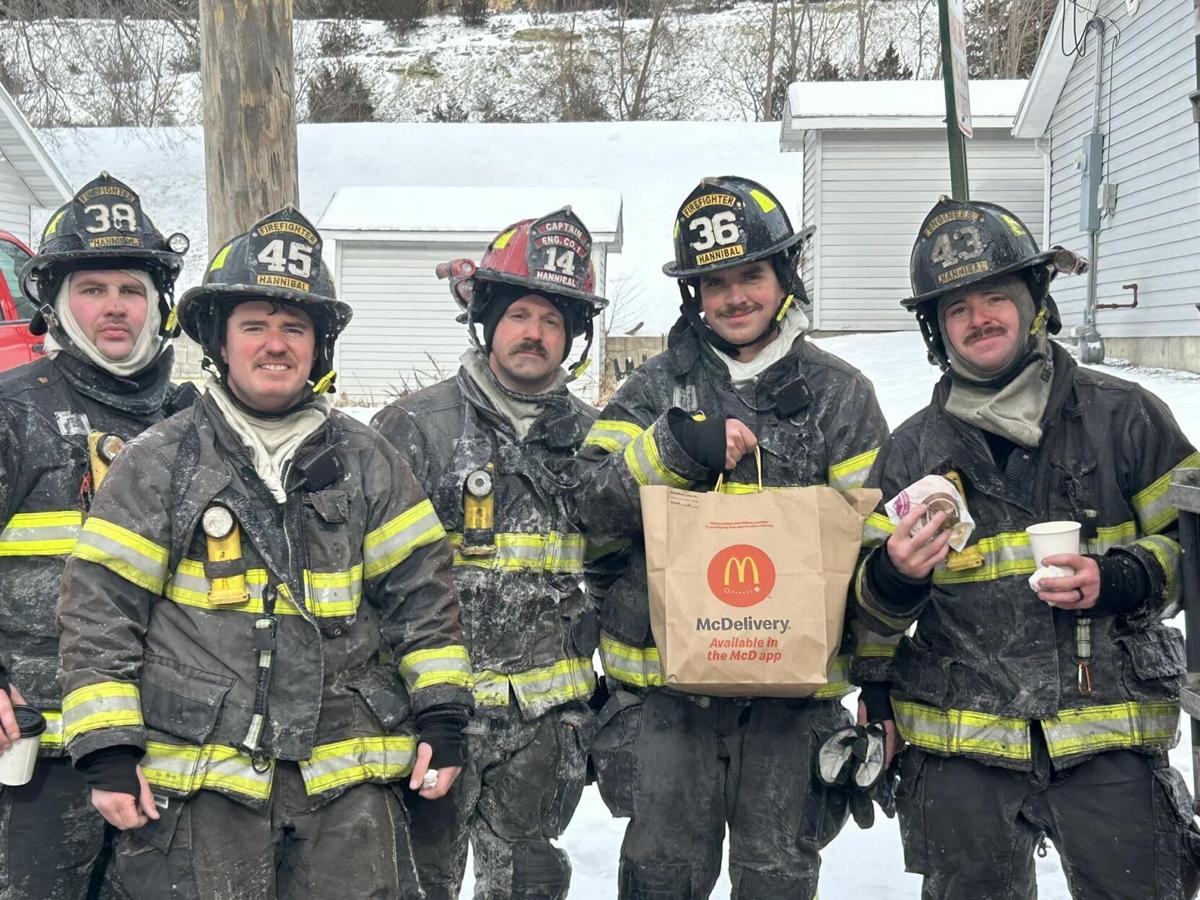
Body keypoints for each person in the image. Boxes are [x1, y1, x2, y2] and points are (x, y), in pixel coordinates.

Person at [55, 206, 473, 899]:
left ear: (318, 349)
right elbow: (100, 608)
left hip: (347, 790)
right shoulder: (160, 461)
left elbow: (425, 600)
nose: (274, 345)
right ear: (221, 343)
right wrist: (106, 745)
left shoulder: (369, 461)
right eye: (254, 327)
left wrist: (443, 714)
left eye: (294, 328)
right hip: (199, 792)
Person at [855, 195, 1200, 899]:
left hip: (1111, 743)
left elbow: (1190, 546)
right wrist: (892, 578)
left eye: (995, 296)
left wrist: (1126, 575)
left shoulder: (1127, 417)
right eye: (956, 308)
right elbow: (863, 616)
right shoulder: (910, 451)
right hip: (960, 753)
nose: (979, 317)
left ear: (1034, 300)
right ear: (936, 329)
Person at [575, 176, 891, 898]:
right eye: (715, 282)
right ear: (695, 296)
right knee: (660, 881)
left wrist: (879, 681)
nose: (736, 296)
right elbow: (589, 505)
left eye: (752, 274)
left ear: (785, 276)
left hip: (793, 711)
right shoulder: (654, 392)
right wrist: (674, 453)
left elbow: (873, 547)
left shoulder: (841, 396)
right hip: (666, 706)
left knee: (777, 882)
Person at [372, 206, 607, 900]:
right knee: (417, 885)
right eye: (520, 314)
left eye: (554, 320)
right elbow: (371, 583)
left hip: (544, 732)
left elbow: (623, 575)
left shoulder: (598, 440)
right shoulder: (413, 426)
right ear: (488, 320)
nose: (534, 333)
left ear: (574, 336)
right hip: (430, 721)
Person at [0, 172, 194, 899]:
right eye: (93, 288)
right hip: (39, 762)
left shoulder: (196, 424)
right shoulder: (14, 413)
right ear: (56, 304)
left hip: (170, 750)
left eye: (132, 289)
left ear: (158, 305)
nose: (115, 306)